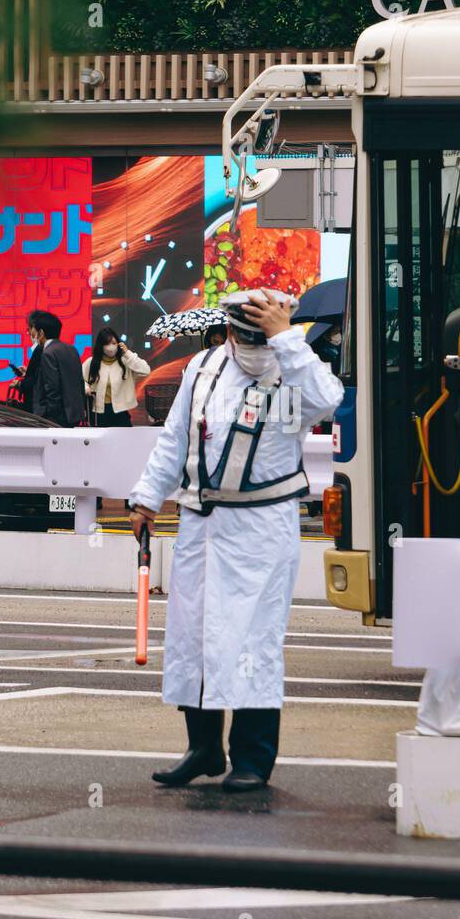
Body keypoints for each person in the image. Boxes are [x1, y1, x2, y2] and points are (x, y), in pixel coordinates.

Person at [129, 287, 343, 793]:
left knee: (253, 641)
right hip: (201, 523)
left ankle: (253, 758)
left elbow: (327, 399)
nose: (251, 344)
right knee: (193, 636)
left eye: (259, 334)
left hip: (261, 528)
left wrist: (285, 339)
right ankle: (204, 748)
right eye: (245, 334)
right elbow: (174, 438)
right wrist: (145, 498)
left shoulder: (293, 369)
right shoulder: (203, 368)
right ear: (227, 330)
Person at [83, 327, 150, 428]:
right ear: (101, 346)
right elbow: (80, 380)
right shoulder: (92, 362)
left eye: (114, 343)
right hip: (98, 413)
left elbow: (145, 370)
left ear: (119, 344)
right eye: (107, 344)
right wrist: (86, 388)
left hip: (120, 412)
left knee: (124, 441)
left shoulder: (125, 362)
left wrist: (128, 353)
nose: (111, 347)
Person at [32, 311, 86, 427]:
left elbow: (52, 387)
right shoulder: (72, 349)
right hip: (75, 414)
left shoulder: (48, 353)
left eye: (35, 331)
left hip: (57, 417)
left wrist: (51, 416)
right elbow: (80, 381)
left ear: (41, 333)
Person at [12, 310, 44, 406]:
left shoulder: (40, 350)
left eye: (30, 329)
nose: (29, 334)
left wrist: (20, 384)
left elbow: (37, 383)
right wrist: (27, 373)